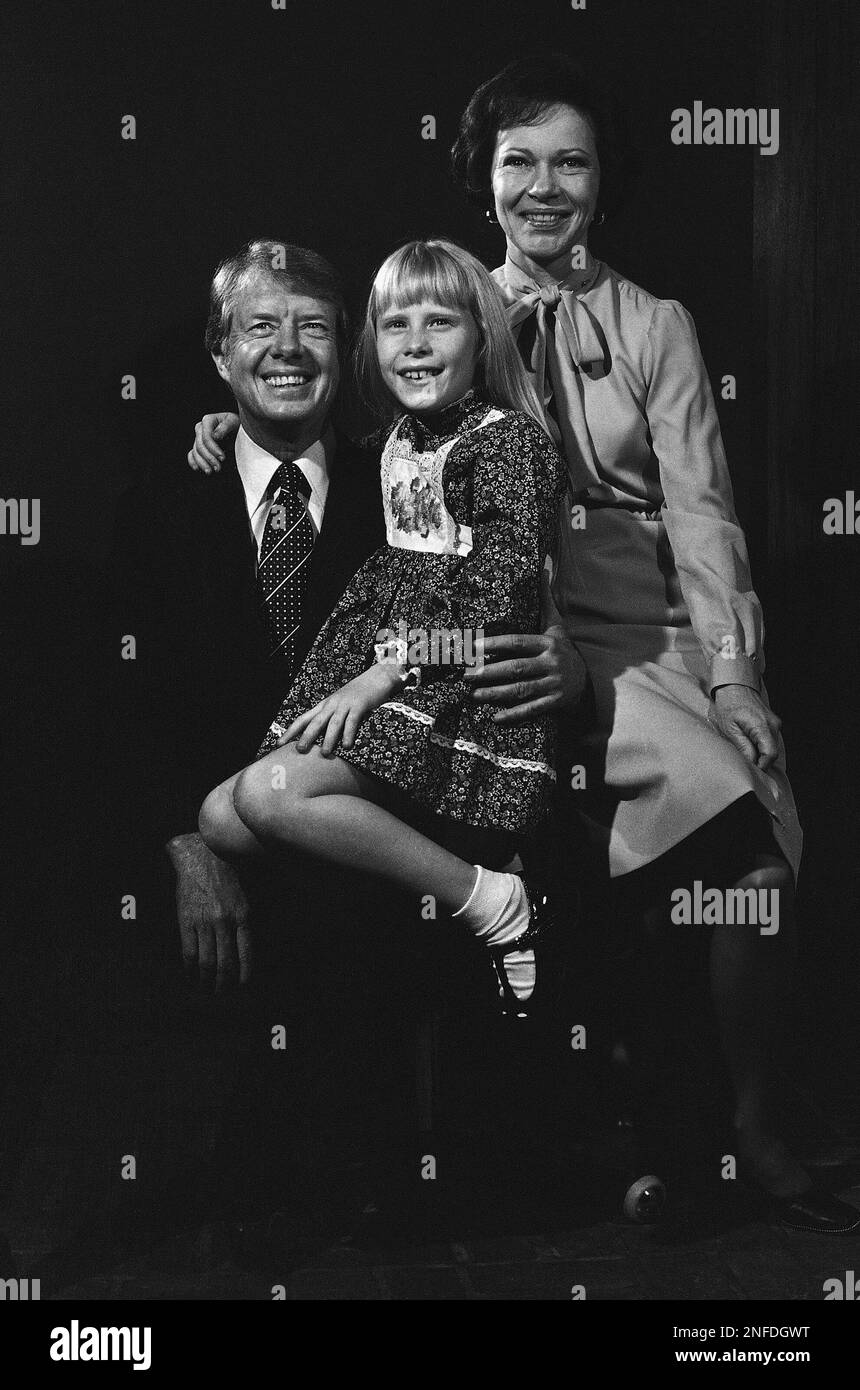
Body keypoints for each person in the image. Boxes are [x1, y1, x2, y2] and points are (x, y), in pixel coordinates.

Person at [444, 53, 856, 1231]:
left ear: (600, 185)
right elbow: (359, 421)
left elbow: (701, 512)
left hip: (651, 629)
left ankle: (753, 1116)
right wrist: (229, 422)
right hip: (516, 631)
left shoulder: (656, 324)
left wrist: (733, 677)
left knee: (762, 857)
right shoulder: (440, 304)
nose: (540, 185)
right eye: (516, 160)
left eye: (567, 161)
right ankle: (613, 1113)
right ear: (483, 179)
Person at [197, 238, 568, 1017]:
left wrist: (383, 674)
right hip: (395, 677)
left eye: (441, 323)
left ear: (484, 336)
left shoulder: (506, 442)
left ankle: (495, 902)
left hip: (451, 689)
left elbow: (496, 596)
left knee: (268, 798)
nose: (418, 344)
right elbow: (307, 436)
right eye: (397, 325)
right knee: (218, 820)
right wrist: (230, 422)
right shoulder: (400, 440)